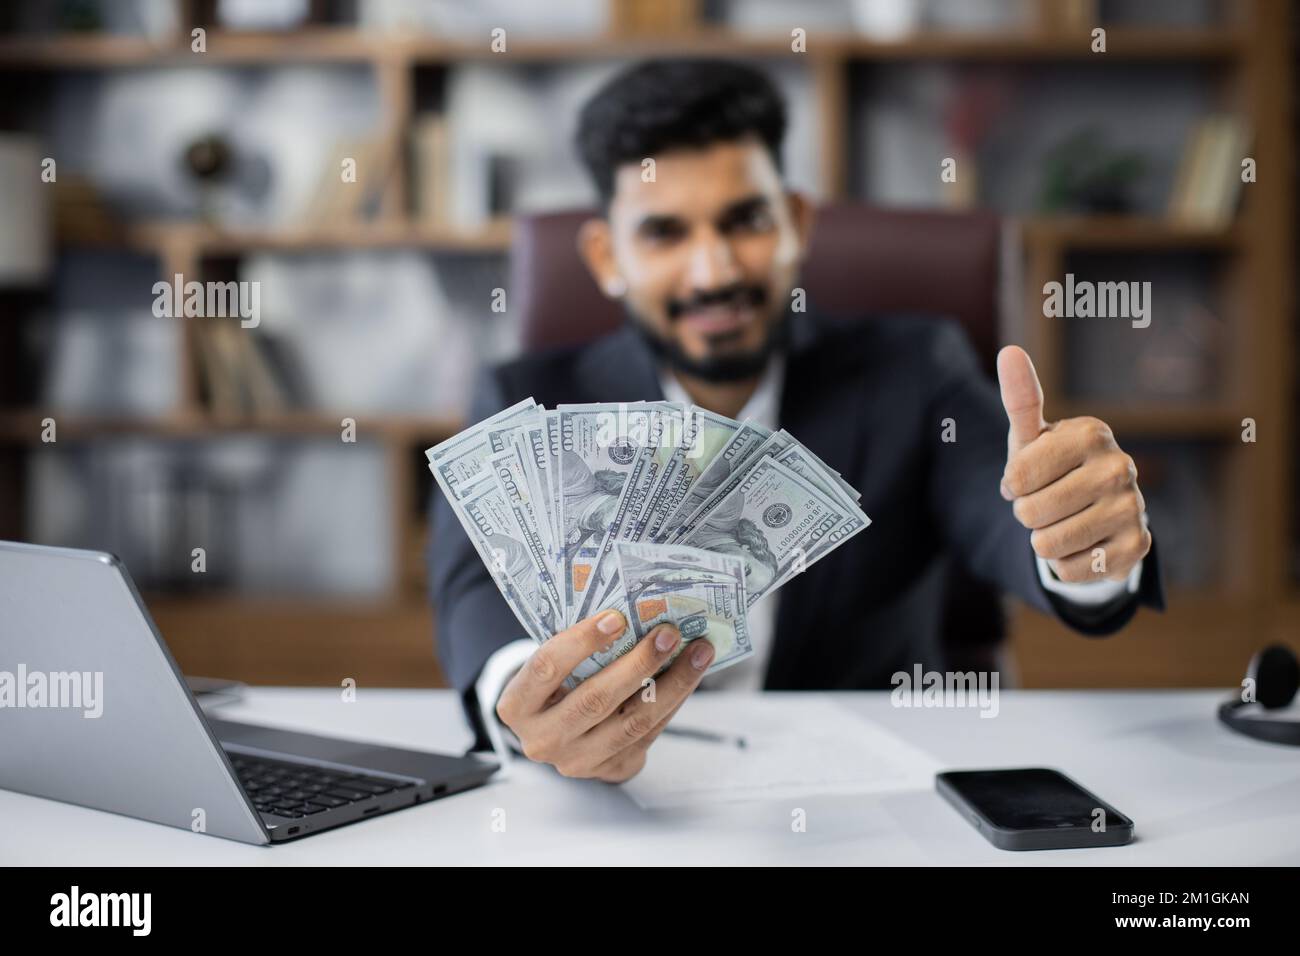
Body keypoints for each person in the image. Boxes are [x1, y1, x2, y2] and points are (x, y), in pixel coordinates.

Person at [429, 59, 1163, 782]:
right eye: (664, 233)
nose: (713, 272)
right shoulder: (522, 397)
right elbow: (476, 596)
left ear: (798, 222)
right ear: (605, 255)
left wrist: (1081, 548)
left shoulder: (915, 370)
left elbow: (1005, 509)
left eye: (745, 220)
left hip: (855, 799)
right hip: (609, 804)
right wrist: (530, 703)